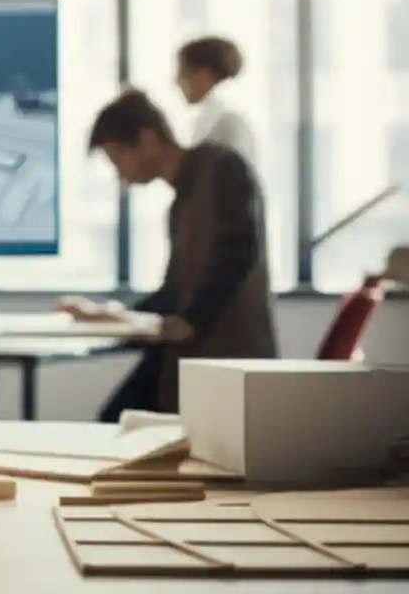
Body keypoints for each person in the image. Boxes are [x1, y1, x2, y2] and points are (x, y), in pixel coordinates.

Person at [63, 90, 277, 421]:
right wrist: (113, 315)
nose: (121, 176)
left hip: (226, 360)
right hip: (188, 354)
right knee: (111, 421)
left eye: (118, 159)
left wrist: (191, 321)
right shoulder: (181, 201)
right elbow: (175, 291)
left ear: (147, 139)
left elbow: (238, 251)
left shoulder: (223, 168)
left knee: (113, 423)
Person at [176, 36, 256, 165]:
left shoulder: (227, 120)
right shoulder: (210, 116)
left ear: (203, 74)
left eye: (182, 73)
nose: (177, 82)